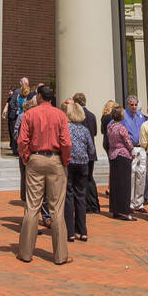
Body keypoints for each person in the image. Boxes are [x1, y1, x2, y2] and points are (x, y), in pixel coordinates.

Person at [17, 84, 72, 265]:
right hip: (56, 160)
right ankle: (61, 255)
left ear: (39, 96)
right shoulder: (60, 115)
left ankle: (25, 252)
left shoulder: (30, 114)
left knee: (32, 207)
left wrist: (26, 157)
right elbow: (66, 142)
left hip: (36, 159)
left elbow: (22, 140)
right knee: (57, 209)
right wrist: (64, 160)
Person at [63, 99, 95, 240]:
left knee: (68, 195)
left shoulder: (66, 128)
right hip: (83, 164)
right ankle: (83, 231)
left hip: (69, 163)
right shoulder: (85, 130)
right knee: (80, 197)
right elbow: (92, 148)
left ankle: (70, 232)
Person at [73, 92, 100, 214]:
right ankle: (94, 204)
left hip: (82, 153)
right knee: (90, 178)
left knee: (81, 180)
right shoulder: (92, 115)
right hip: (91, 152)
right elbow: (94, 132)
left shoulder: (79, 116)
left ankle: (85, 205)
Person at [106, 106, 135, 220]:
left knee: (115, 184)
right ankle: (125, 211)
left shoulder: (110, 127)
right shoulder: (121, 128)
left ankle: (115, 209)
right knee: (125, 184)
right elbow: (127, 141)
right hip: (122, 155)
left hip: (113, 154)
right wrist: (132, 151)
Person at [123, 95, 148, 213]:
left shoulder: (141, 116)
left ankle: (139, 203)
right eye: (131, 104)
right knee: (131, 176)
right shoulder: (123, 115)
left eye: (135, 104)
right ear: (127, 105)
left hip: (141, 148)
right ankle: (130, 203)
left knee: (141, 175)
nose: (134, 107)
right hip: (130, 148)